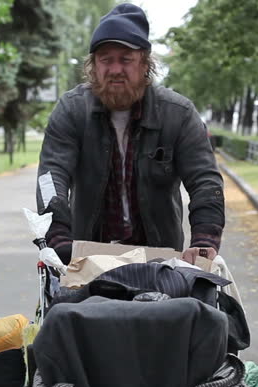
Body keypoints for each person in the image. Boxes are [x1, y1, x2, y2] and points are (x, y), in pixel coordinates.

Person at [35, 3, 225, 266]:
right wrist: (58, 237)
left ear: (145, 63)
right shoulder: (71, 110)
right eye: (105, 59)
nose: (115, 69)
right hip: (86, 256)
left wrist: (204, 241)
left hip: (160, 258)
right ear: (94, 65)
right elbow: (50, 177)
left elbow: (205, 180)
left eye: (125, 59)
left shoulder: (178, 114)